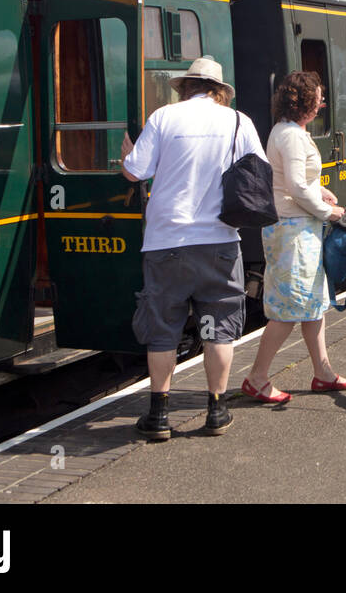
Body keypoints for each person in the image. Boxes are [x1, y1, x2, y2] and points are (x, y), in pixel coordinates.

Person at [120, 56, 264, 439]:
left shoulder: (163, 117)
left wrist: (125, 150)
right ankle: (216, 412)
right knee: (218, 327)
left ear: (185, 86)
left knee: (163, 327)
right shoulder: (238, 121)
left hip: (166, 241)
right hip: (219, 241)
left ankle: (159, 416)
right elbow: (258, 172)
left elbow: (135, 171)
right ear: (219, 91)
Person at [241, 71, 346, 403]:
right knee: (289, 308)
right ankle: (257, 378)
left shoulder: (286, 132)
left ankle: (323, 373)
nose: (321, 105)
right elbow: (293, 186)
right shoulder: (291, 136)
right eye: (318, 99)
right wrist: (331, 213)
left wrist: (320, 192)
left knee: (312, 305)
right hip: (292, 231)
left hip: (297, 228)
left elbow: (292, 182)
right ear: (305, 102)